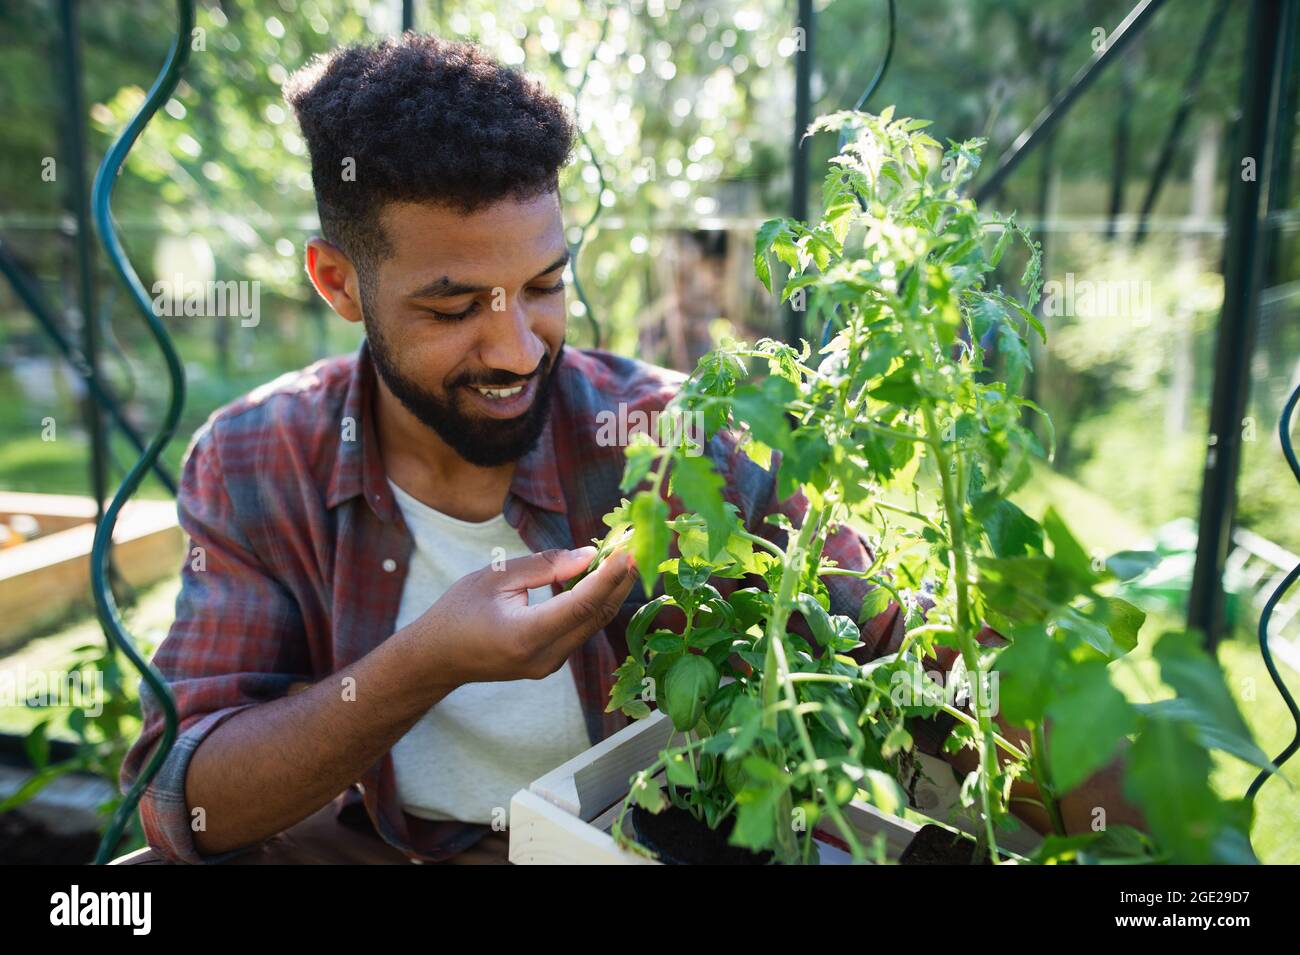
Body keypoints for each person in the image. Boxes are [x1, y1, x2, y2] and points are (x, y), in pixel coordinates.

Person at [117, 33, 1138, 866]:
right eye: (453, 305)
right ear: (338, 283)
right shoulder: (258, 460)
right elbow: (180, 801)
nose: (516, 347)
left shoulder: (674, 439)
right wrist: (419, 665)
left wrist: (1113, 803)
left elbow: (892, 651)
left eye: (546, 285)